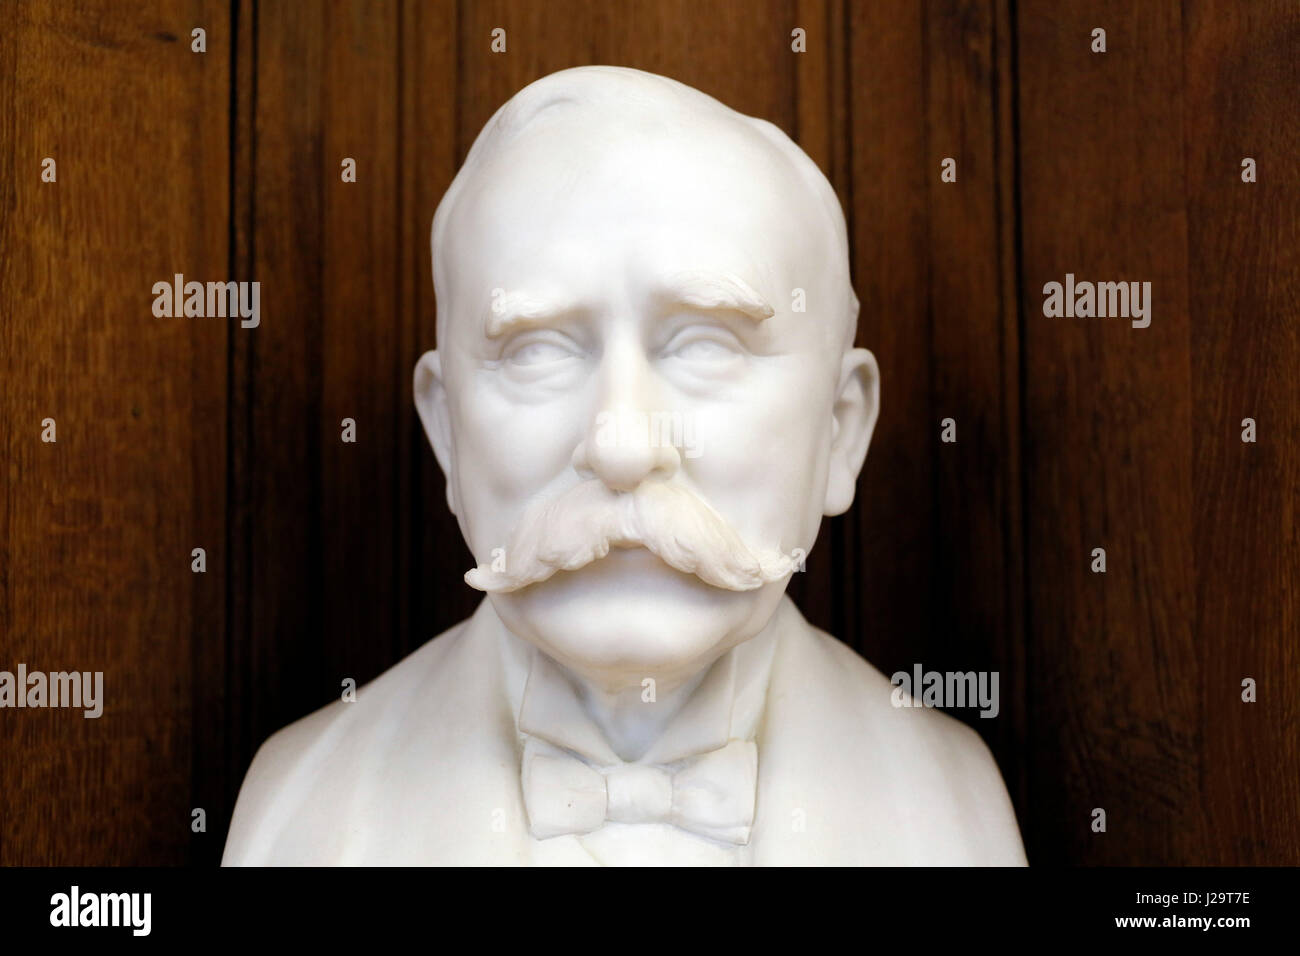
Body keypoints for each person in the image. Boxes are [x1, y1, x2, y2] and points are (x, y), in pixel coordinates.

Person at [223, 66, 1027, 866]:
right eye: (536, 349)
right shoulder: (299, 811)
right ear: (445, 433)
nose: (622, 444)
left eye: (706, 343)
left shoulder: (954, 810)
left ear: (841, 430)